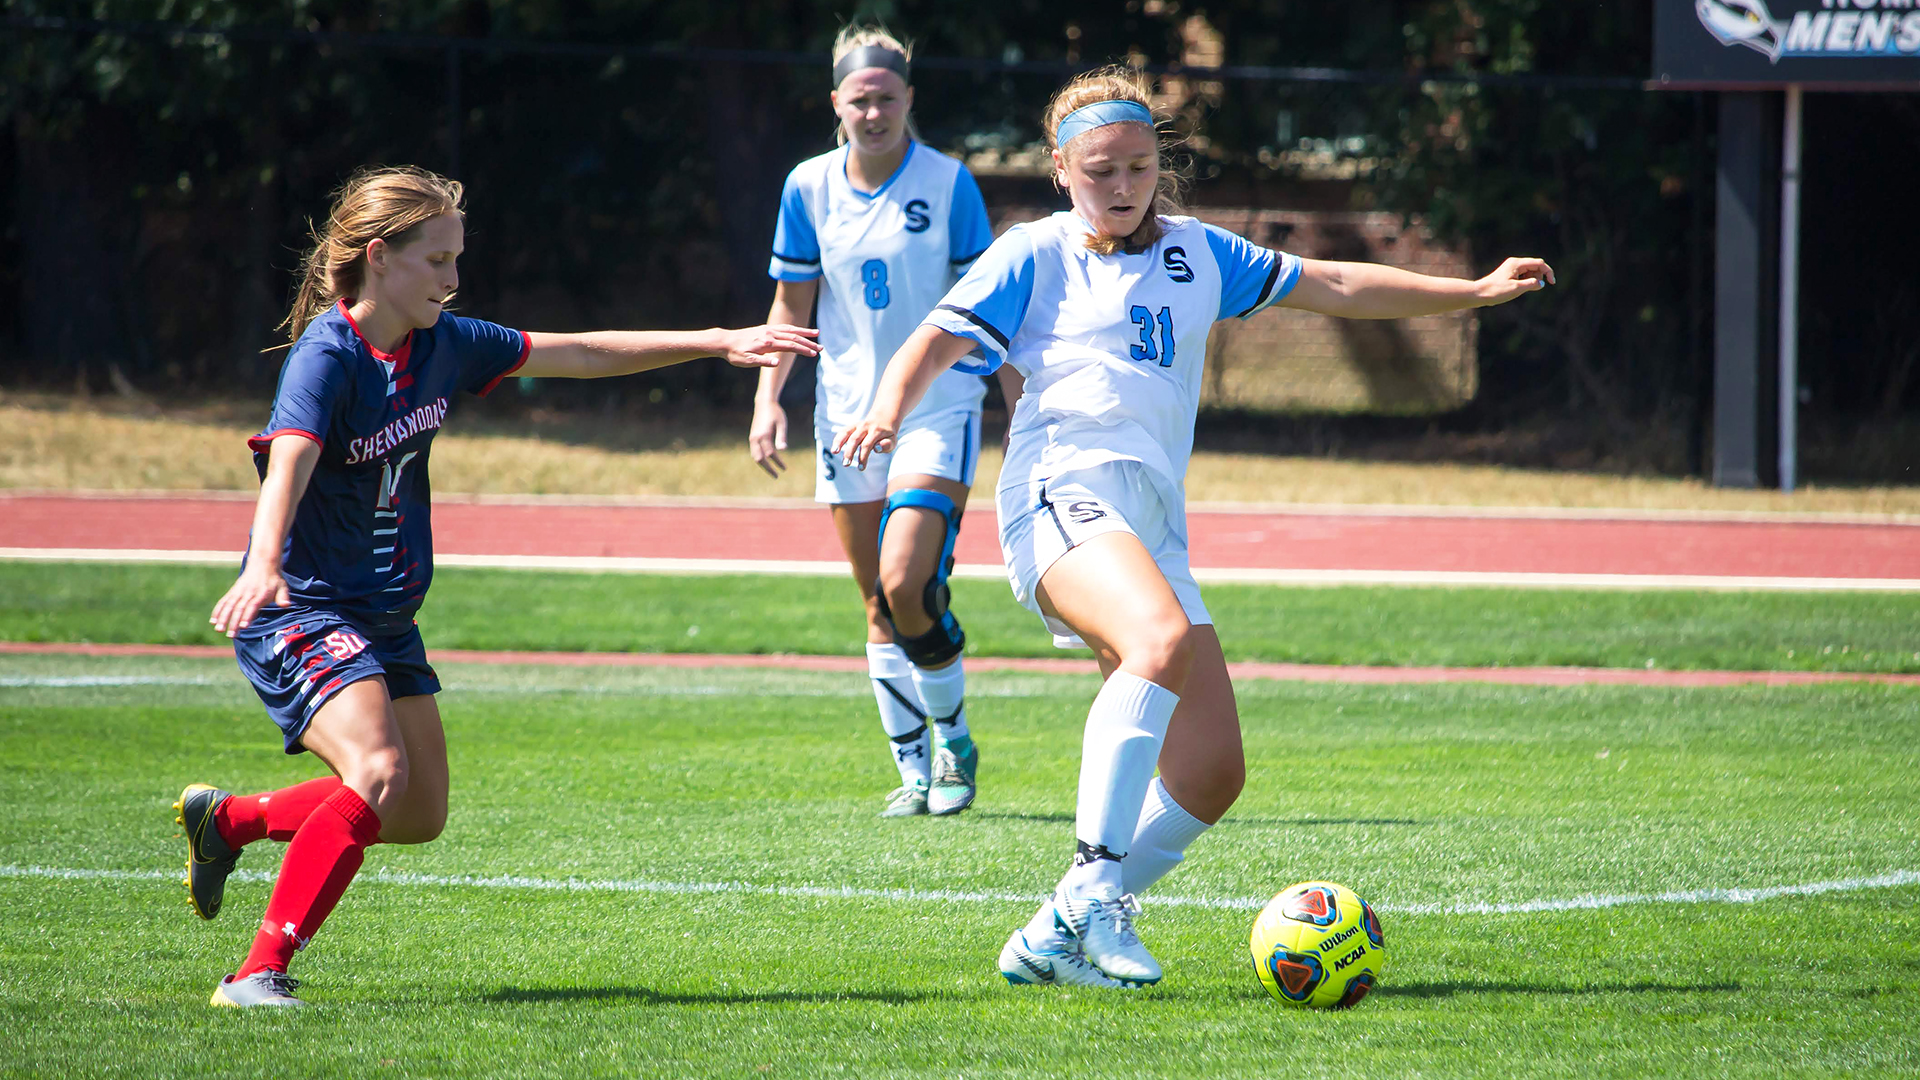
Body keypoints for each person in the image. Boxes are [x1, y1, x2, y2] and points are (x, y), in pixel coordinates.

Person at [834, 68, 1555, 988]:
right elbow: (935, 339)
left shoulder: (1198, 254)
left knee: (1212, 773)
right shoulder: (1034, 253)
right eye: (1102, 171)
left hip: (1152, 523)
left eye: (1139, 166)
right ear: (1061, 170)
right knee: (1159, 639)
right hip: (1059, 493)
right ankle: (1097, 889)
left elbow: (1331, 280)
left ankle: (1054, 931)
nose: (1125, 185)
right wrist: (890, 407)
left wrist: (1474, 293)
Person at [176, 165, 818, 1007]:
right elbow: (290, 453)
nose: (452, 276)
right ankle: (259, 974)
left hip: (385, 618)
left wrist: (715, 339)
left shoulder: (444, 344)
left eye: (455, 258)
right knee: (375, 769)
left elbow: (578, 352)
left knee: (416, 812)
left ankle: (231, 822)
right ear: (379, 257)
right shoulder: (327, 355)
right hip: (304, 607)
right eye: (437, 259)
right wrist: (262, 564)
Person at [750, 26, 1018, 818]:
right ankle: (914, 771)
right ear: (836, 102)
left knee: (907, 582)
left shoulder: (949, 181)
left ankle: (955, 744)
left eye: (887, 98)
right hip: (844, 417)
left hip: (938, 409)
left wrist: (1016, 399)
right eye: (860, 99)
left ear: (909, 101)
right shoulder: (807, 187)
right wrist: (769, 398)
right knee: (875, 600)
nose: (874, 112)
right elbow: (790, 306)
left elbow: (988, 307)